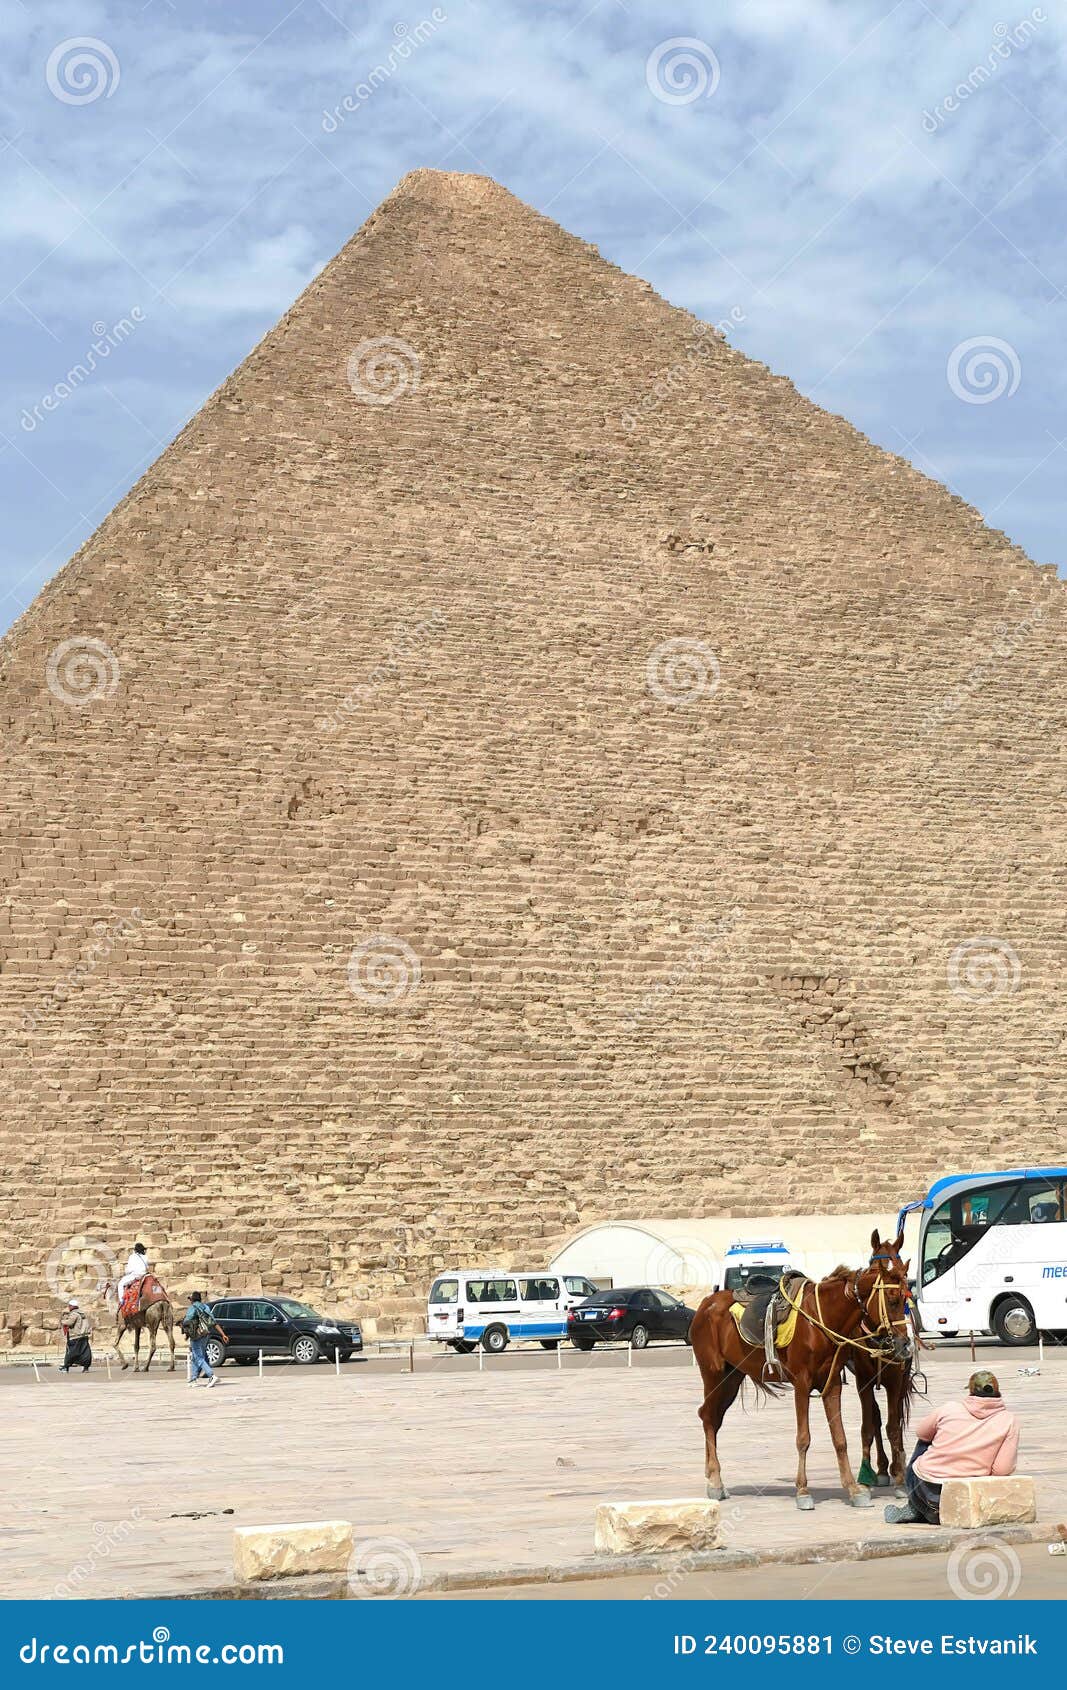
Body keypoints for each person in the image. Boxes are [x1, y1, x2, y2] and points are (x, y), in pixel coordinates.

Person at [884, 1369, 1019, 1525]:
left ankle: (915, 1507)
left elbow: (920, 1432)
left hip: (924, 1492)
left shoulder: (949, 1408)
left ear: (971, 1391)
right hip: (966, 1499)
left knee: (926, 1439)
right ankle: (932, 1512)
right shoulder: (1009, 1420)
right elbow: (1002, 1469)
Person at [180, 1290, 224, 1388]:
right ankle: (193, 1379)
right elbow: (213, 1322)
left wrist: (184, 1330)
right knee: (197, 1356)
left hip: (196, 1335)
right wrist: (223, 1334)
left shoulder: (192, 1308)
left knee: (198, 1357)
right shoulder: (206, 1307)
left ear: (192, 1300)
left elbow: (187, 1322)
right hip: (206, 1334)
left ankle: (211, 1376)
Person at [58, 1300, 92, 1373]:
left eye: (69, 1306)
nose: (69, 1307)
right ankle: (86, 1368)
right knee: (85, 1352)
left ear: (71, 1306)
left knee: (71, 1352)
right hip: (84, 1335)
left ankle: (66, 1367)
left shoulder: (74, 1314)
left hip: (75, 1336)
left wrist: (62, 1321)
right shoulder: (82, 1313)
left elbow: (70, 1322)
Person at [115, 1242, 149, 1311]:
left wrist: (126, 1272)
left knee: (120, 1284)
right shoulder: (145, 1257)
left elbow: (129, 1269)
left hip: (135, 1276)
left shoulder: (132, 1256)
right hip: (144, 1276)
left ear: (135, 1250)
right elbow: (147, 1267)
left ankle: (122, 1301)